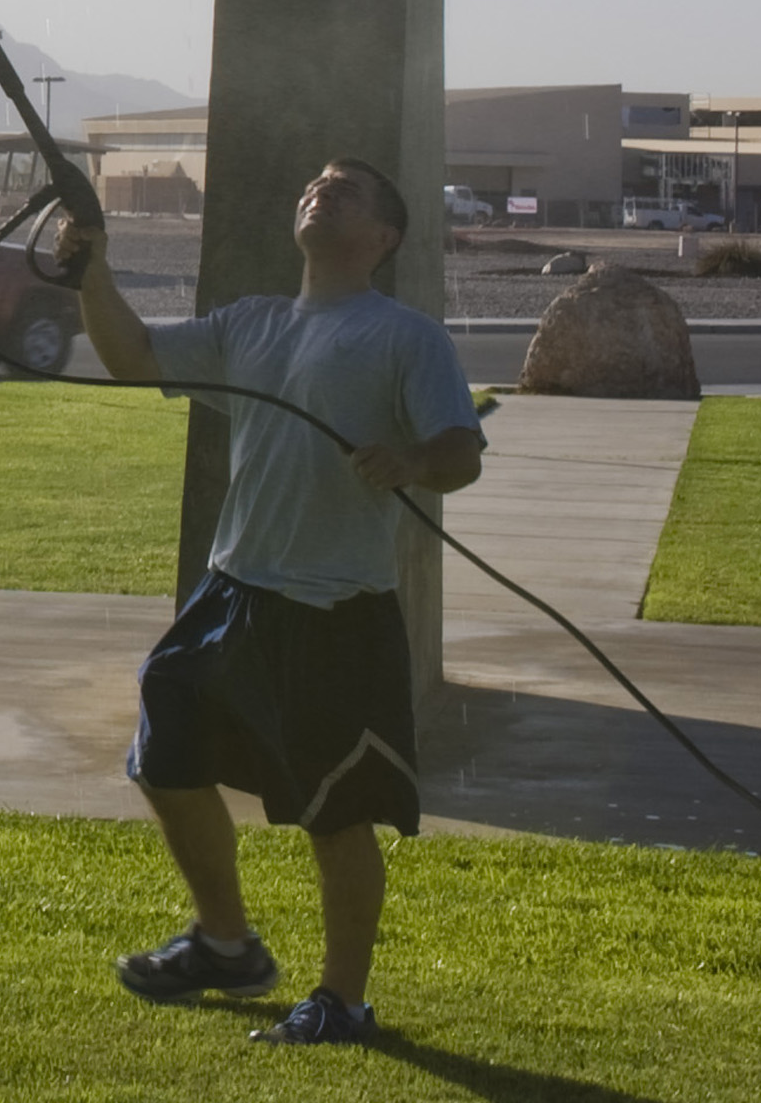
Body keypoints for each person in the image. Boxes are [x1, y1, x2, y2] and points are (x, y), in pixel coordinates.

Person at [54, 157, 483, 1048]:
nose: (320, 189)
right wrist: (91, 269)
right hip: (232, 589)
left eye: (347, 189)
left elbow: (460, 452)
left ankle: (344, 1003)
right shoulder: (251, 323)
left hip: (334, 611)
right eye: (315, 183)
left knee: (336, 811)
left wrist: (411, 461)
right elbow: (133, 357)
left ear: (383, 239)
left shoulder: (405, 337)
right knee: (164, 756)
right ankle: (225, 942)